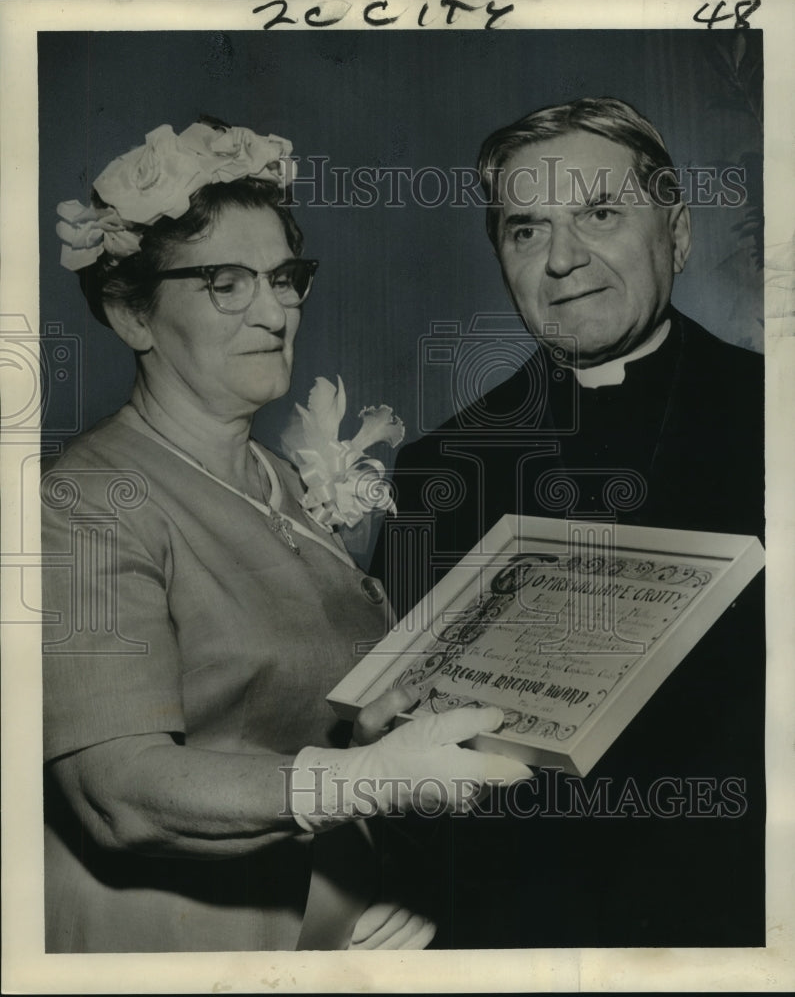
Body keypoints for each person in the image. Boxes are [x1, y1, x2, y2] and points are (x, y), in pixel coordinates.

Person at [41, 117, 530, 954]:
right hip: (175, 946)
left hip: (322, 929)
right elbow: (115, 793)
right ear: (131, 315)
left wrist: (376, 835)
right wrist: (363, 785)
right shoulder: (85, 504)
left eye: (285, 277)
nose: (274, 312)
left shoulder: (285, 483)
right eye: (226, 283)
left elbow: (296, 721)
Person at [374, 97, 765, 947]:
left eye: (598, 213)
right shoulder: (438, 468)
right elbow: (398, 727)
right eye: (525, 229)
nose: (561, 259)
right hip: (517, 915)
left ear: (678, 233)